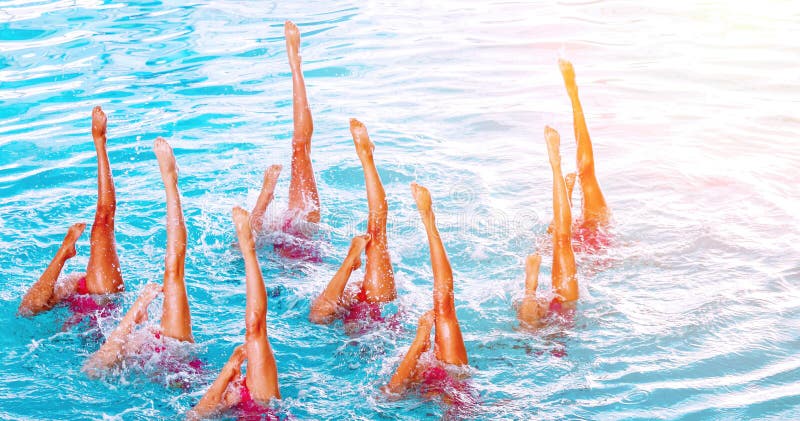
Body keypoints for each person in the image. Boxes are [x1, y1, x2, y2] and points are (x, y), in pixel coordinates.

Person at [82, 137, 197, 376]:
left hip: (179, 362)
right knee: (174, 272)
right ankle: (170, 184)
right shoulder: (130, 347)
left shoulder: (129, 347)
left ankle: (170, 183)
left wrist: (138, 309)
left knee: (174, 270)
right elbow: (93, 370)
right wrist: (138, 307)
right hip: (177, 353)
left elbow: (93, 369)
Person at [18, 106, 123, 320]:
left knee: (103, 221)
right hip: (99, 306)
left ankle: (99, 143)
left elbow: (105, 213)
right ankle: (64, 252)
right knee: (28, 310)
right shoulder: (77, 284)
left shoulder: (81, 284)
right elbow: (28, 310)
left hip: (97, 307)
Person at [383, 183, 475, 409]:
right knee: (444, 308)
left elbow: (390, 394)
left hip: (427, 379)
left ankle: (420, 341)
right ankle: (429, 222)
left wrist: (421, 338)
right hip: (454, 376)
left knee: (390, 393)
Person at [187, 207, 280, 420]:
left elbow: (194, 417)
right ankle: (248, 249)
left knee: (255, 329)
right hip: (260, 405)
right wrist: (230, 369)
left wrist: (231, 368)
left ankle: (248, 249)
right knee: (255, 330)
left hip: (254, 404)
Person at [308, 119, 397, 328]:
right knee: (376, 233)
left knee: (318, 317)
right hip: (378, 306)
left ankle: (350, 262)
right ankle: (367, 158)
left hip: (363, 313)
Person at [517, 127, 580, 329]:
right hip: (562, 310)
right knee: (562, 240)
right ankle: (530, 289)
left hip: (564, 310)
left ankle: (556, 166)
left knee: (562, 240)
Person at [558, 59, 611, 245]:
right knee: (587, 174)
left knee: (586, 173)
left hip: (573, 239)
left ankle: (574, 96)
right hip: (599, 227)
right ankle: (574, 96)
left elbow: (552, 241)